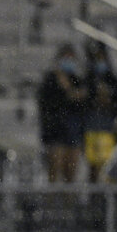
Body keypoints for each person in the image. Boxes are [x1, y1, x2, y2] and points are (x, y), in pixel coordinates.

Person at [38, 43, 87, 186]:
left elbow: (82, 100)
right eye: (66, 58)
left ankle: (68, 205)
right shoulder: (50, 80)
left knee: (70, 173)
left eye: (71, 58)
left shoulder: (76, 79)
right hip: (55, 131)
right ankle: (52, 206)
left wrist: (71, 92)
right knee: (54, 170)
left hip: (73, 130)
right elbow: (47, 104)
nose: (69, 61)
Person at [83, 40, 117, 182]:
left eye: (102, 57)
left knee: (108, 166)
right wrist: (95, 99)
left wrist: (108, 101)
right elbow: (83, 102)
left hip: (107, 128)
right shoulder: (89, 78)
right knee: (93, 166)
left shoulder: (112, 80)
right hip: (92, 128)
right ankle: (94, 197)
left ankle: (105, 198)